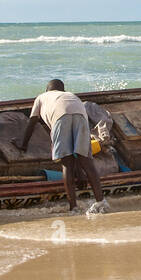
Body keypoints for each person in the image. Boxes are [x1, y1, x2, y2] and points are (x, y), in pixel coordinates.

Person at [17, 79, 109, 214]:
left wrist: (23, 145)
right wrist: (80, 171)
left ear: (46, 90)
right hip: (81, 116)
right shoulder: (71, 95)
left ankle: (73, 207)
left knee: (67, 164)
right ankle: (101, 202)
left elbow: (32, 122)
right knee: (87, 161)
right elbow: (76, 148)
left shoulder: (41, 97)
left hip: (61, 117)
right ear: (63, 90)